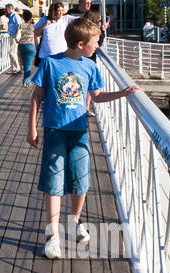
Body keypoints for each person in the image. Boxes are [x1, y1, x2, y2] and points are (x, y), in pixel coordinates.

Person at [27, 18, 140, 259]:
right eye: (96, 42)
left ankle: (74, 220)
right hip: (55, 131)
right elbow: (37, 97)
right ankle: (53, 236)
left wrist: (124, 92)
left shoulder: (90, 67)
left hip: (79, 132)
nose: (98, 46)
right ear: (80, 44)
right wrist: (32, 129)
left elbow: (97, 97)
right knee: (54, 181)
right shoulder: (50, 64)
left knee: (80, 179)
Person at [17, 9, 37, 83]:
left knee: (24, 64)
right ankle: (26, 81)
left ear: (23, 17)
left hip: (22, 46)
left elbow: (17, 37)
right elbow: (36, 37)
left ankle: (26, 80)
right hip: (31, 46)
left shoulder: (20, 26)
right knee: (28, 64)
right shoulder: (33, 26)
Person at [4, 4, 22, 74]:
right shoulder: (12, 16)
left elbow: (19, 26)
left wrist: (17, 34)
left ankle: (16, 68)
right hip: (13, 35)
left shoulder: (15, 16)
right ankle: (15, 68)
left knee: (12, 52)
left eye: (6, 9)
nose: (6, 11)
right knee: (13, 52)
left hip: (14, 36)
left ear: (10, 8)